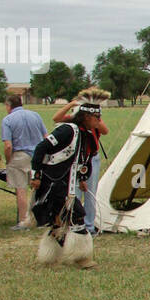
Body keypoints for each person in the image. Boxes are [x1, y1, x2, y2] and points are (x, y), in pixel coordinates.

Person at [30, 88, 105, 268]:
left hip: (67, 183)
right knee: (77, 216)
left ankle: (49, 258)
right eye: (96, 118)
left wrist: (82, 179)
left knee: (59, 220)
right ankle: (80, 258)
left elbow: (79, 161)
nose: (98, 122)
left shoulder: (85, 135)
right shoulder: (67, 130)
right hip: (54, 183)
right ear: (86, 117)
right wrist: (36, 175)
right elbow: (41, 148)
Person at [53, 93, 109, 233]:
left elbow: (104, 130)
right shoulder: (75, 121)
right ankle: (74, 223)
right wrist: (72, 105)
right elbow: (57, 118)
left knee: (90, 192)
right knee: (75, 192)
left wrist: (95, 116)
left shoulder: (93, 121)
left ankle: (89, 226)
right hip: (76, 159)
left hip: (91, 158)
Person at [1, 95, 48, 229]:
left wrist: (8, 160)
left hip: (19, 156)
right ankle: (39, 219)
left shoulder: (7, 120)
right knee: (37, 189)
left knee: (21, 190)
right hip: (38, 156)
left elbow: (8, 145)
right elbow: (46, 137)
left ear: (9, 105)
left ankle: (24, 221)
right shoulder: (35, 115)